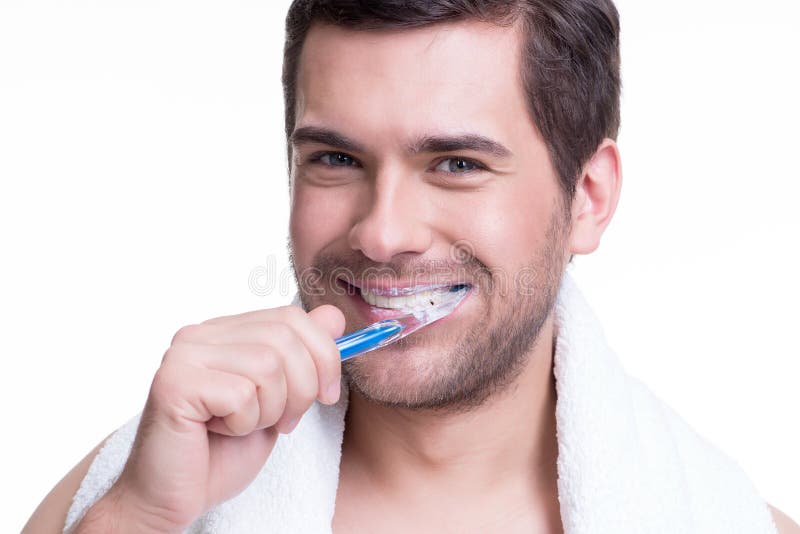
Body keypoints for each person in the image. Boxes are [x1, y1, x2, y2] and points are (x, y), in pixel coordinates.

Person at [24, 1, 799, 532]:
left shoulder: (724, 520)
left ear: (588, 199)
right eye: (336, 159)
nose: (383, 234)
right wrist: (139, 518)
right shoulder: (126, 500)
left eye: (457, 164)